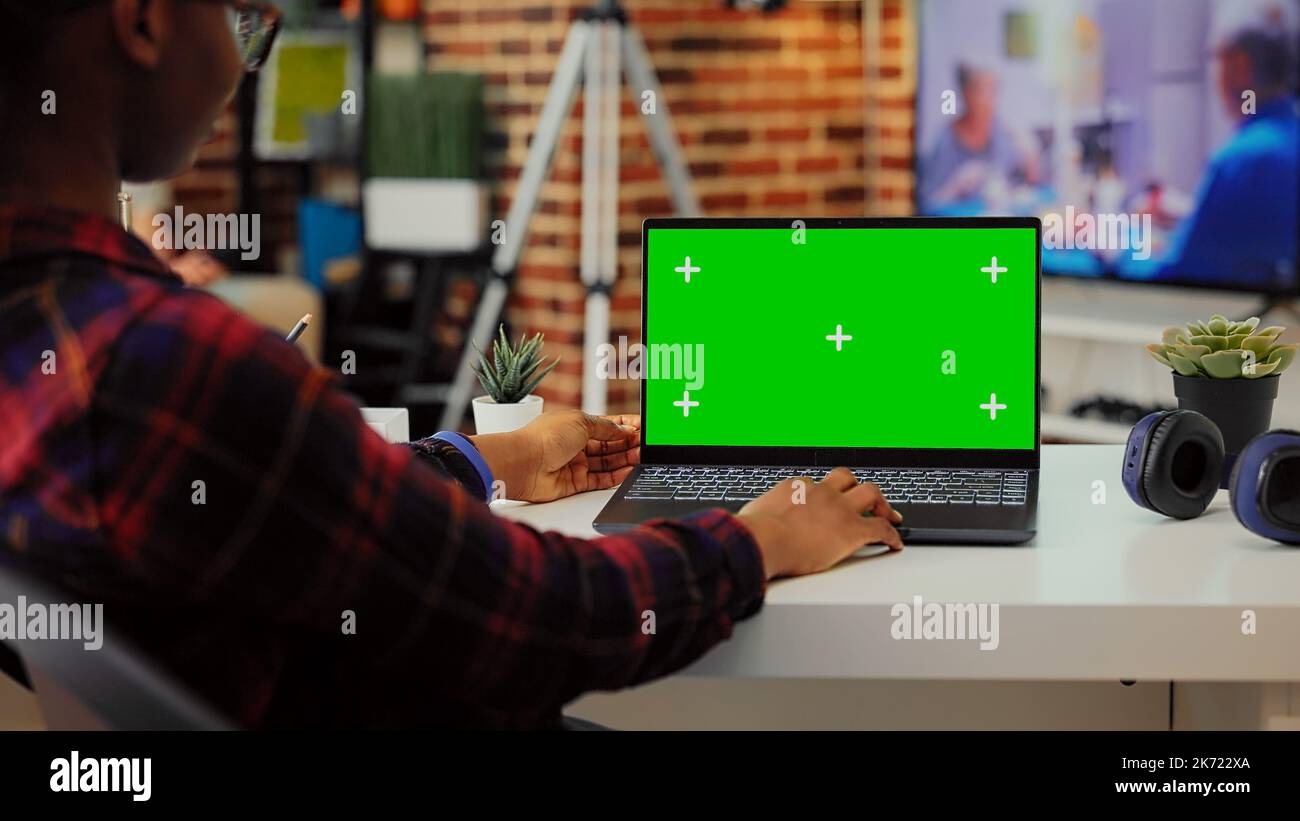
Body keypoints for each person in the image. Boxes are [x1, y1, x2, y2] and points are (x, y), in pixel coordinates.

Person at [0, 0, 903, 728]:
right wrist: (762, 539)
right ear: (144, 20)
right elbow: (545, 617)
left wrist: (483, 459)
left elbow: (279, 505)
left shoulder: (52, 330)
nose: (248, 59)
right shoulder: (173, 363)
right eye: (245, 19)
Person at [1120, 0, 1299, 288]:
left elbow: (1172, 277)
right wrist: (1191, 213)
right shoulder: (1287, 137)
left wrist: (1119, 245)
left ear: (1239, 65)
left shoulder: (1243, 160)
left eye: (1217, 57)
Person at [919, 61, 1042, 213]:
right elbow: (926, 207)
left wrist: (1031, 156)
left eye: (993, 90)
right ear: (965, 94)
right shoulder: (943, 141)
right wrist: (955, 187)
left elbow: (1030, 182)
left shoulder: (1001, 133)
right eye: (981, 90)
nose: (988, 99)